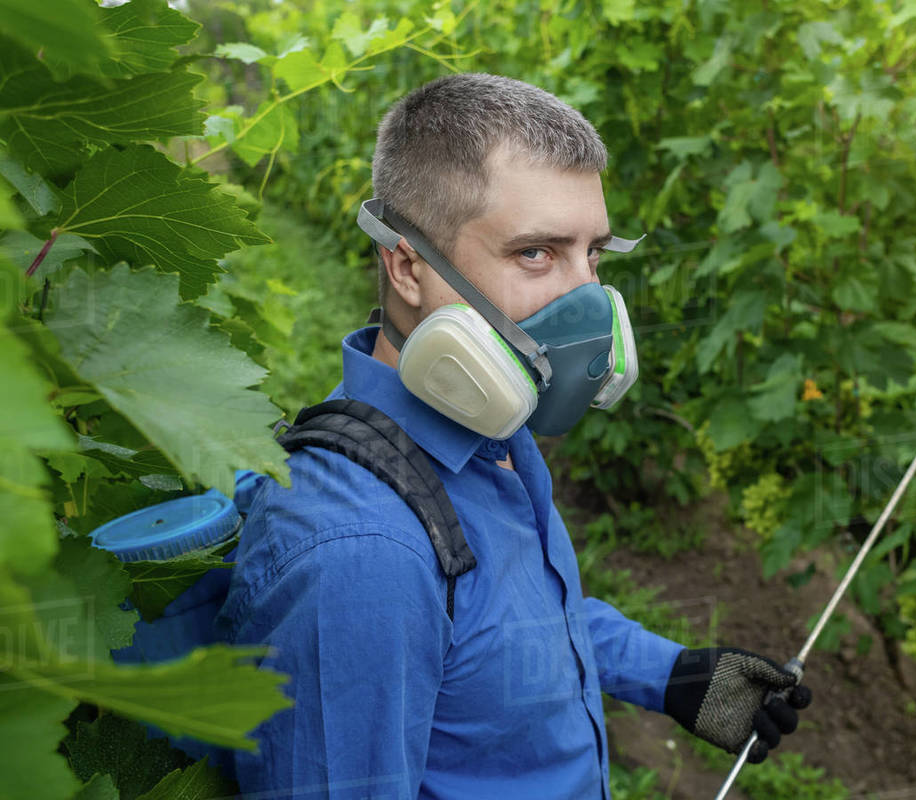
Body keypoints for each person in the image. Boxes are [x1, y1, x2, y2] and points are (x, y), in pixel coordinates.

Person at [217, 72, 812, 799]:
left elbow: (502, 624)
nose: (588, 302)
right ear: (407, 265)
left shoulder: (489, 435)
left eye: (594, 255)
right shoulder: (359, 553)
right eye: (537, 253)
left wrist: (670, 675)